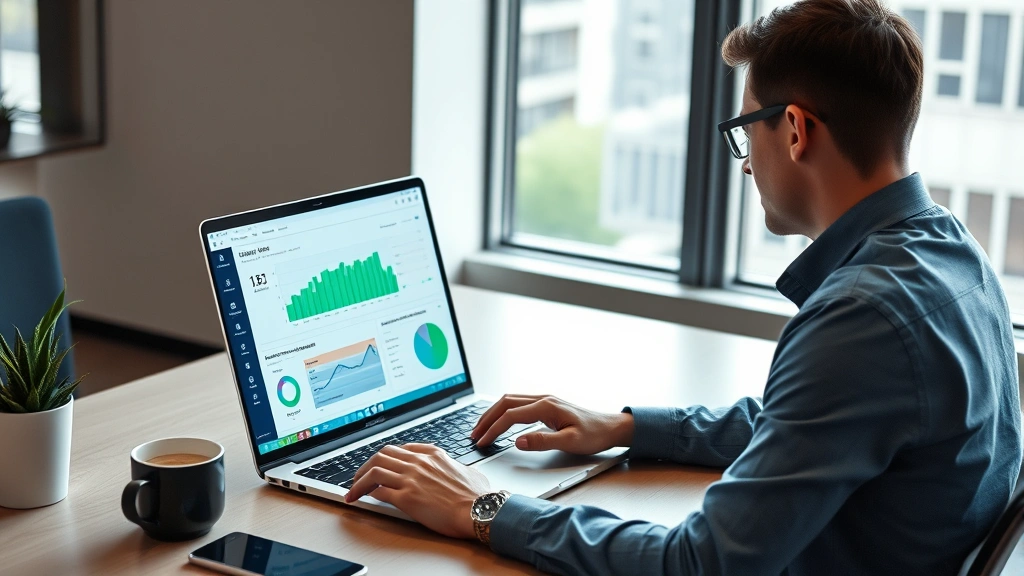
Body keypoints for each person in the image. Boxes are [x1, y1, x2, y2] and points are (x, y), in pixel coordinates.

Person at [345, 0, 1022, 573]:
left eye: (743, 129)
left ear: (793, 130)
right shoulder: (950, 253)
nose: (746, 165)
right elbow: (812, 426)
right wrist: (626, 427)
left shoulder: (862, 318)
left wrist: (481, 509)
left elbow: (700, 564)